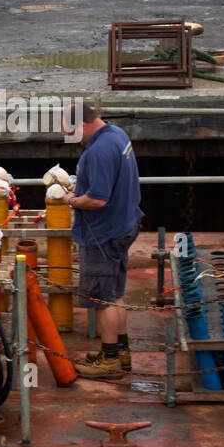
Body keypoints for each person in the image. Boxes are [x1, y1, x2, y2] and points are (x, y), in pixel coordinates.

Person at [62, 102, 144, 380]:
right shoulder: (117, 135)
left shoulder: (98, 151)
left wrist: (71, 199)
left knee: (102, 299)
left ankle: (109, 362)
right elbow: (110, 180)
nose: (69, 138)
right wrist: (81, 185)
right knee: (116, 294)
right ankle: (120, 353)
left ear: (82, 125)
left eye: (70, 132)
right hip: (124, 225)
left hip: (103, 235)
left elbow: (97, 199)